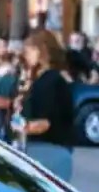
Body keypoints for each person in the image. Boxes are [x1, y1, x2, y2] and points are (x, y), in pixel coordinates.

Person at [16, 30, 76, 181]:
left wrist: (20, 127)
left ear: (41, 50)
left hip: (48, 149)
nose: (26, 55)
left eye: (29, 50)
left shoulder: (49, 82)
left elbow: (44, 123)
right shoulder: (45, 79)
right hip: (52, 149)